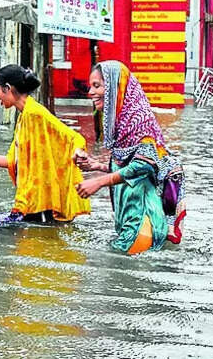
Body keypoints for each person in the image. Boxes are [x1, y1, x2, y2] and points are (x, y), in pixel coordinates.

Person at [75, 60, 187, 254]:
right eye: (90, 86)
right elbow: (128, 165)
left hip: (142, 227)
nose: (91, 92)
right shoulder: (122, 124)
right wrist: (97, 165)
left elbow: (144, 165)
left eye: (97, 86)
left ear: (115, 88)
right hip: (129, 222)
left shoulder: (139, 121)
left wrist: (99, 182)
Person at [0, 65, 90, 224]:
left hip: (41, 201)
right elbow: (12, 161)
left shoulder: (34, 113)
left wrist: (79, 151)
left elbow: (73, 137)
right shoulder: (24, 116)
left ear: (7, 88)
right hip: (35, 200)